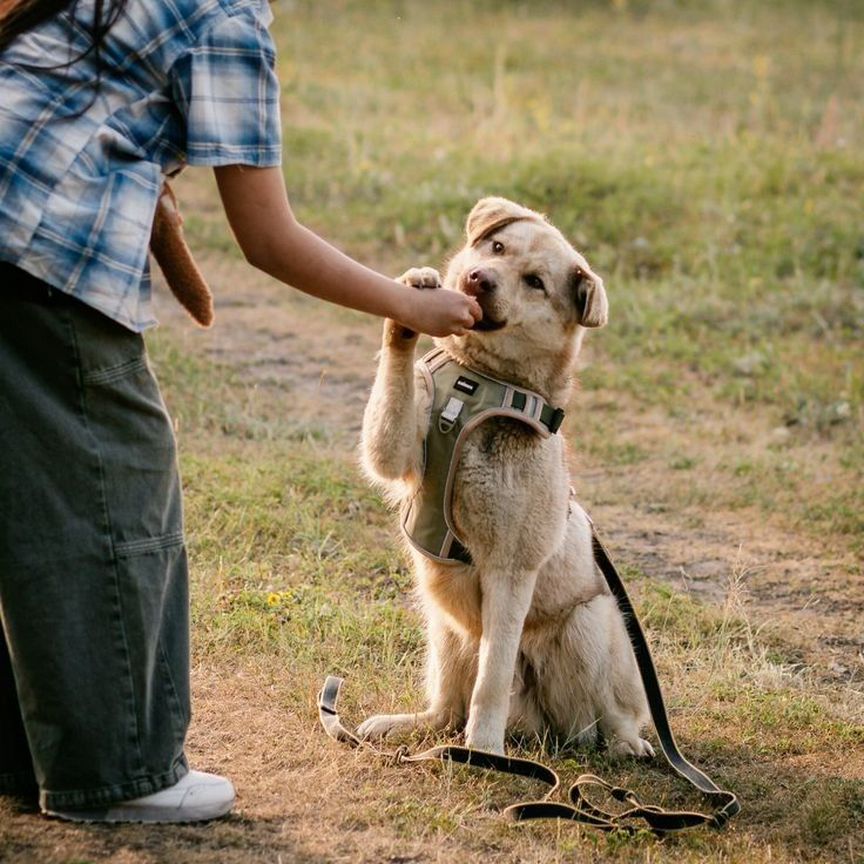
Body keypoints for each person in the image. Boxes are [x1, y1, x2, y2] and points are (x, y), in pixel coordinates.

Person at [0, 0, 482, 824]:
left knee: (27, 499)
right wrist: (410, 305)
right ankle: (122, 774)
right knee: (115, 489)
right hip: (37, 263)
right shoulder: (226, 13)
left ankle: (27, 751)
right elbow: (268, 237)